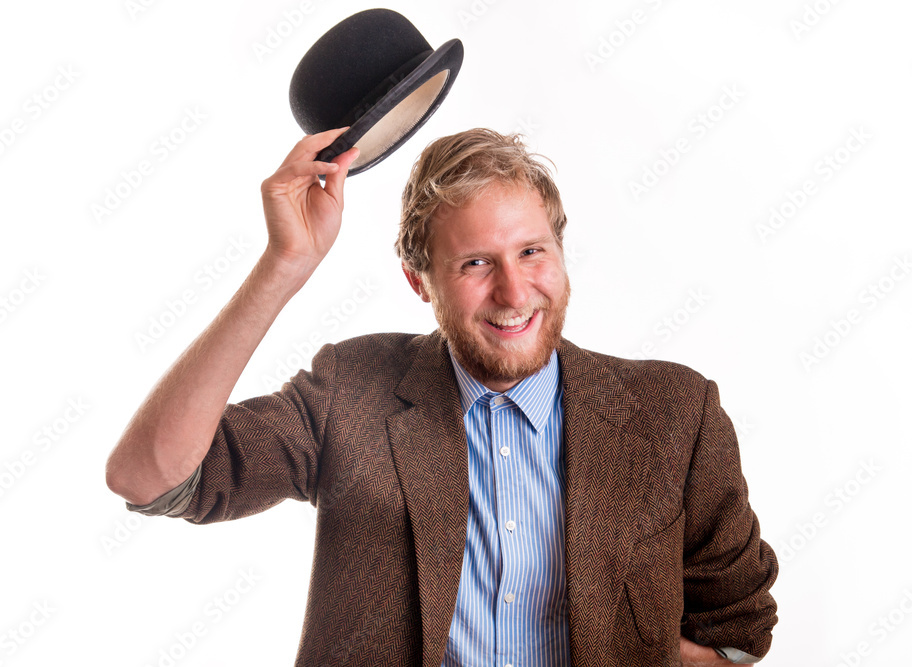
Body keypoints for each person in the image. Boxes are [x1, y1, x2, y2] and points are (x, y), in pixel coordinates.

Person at [105, 127, 778, 666]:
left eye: (532, 252)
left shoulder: (674, 413)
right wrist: (284, 265)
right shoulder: (353, 389)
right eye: (476, 263)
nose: (515, 293)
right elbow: (149, 476)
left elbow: (739, 627)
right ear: (418, 280)